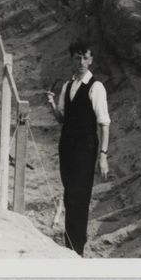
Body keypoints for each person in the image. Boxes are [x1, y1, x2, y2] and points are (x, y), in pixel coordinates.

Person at [46, 40, 110, 256]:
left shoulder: (96, 87)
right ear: (72, 59)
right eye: (77, 58)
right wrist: (53, 105)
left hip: (85, 148)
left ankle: (77, 248)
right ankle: (70, 245)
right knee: (69, 194)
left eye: (85, 57)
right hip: (67, 147)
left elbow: (104, 123)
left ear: (91, 60)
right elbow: (63, 119)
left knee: (79, 196)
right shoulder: (68, 85)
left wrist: (103, 155)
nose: (81, 62)